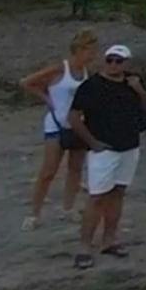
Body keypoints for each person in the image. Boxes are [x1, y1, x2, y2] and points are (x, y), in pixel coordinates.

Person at [68, 45, 146, 265]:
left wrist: (139, 90)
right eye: (110, 60)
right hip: (104, 149)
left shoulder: (132, 83)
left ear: (127, 63)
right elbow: (74, 116)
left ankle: (109, 240)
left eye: (118, 61)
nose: (113, 65)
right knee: (97, 196)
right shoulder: (91, 86)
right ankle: (84, 247)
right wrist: (92, 142)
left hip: (129, 146)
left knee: (118, 192)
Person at [23, 33, 95, 229]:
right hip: (56, 123)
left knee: (75, 168)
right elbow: (27, 82)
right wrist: (47, 99)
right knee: (48, 170)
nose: (92, 55)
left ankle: (68, 208)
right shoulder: (59, 69)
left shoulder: (87, 72)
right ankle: (34, 214)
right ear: (79, 50)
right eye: (89, 50)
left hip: (79, 125)